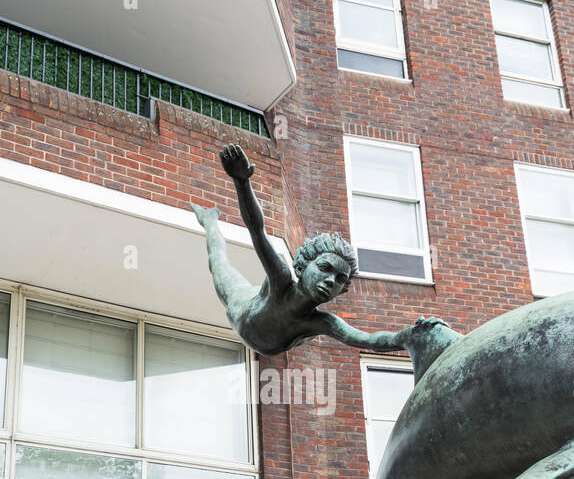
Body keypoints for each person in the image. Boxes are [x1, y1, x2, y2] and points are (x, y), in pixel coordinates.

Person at [192, 144, 458, 362]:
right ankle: (210, 220)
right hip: (242, 307)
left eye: (340, 279)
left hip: (266, 341)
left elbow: (365, 339)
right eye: (325, 268)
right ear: (303, 266)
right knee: (218, 261)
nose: (331, 280)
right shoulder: (282, 279)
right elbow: (257, 231)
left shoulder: (321, 322)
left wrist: (411, 334)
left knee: (218, 262)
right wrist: (241, 182)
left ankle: (210, 220)